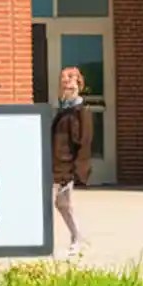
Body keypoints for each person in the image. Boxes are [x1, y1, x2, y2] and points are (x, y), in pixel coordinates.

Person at [51, 66, 93, 259]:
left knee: (63, 203)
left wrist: (77, 169)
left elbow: (83, 142)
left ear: (78, 83)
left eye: (70, 78)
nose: (65, 81)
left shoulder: (80, 111)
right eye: (63, 78)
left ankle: (77, 239)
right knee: (62, 204)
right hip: (58, 163)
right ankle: (78, 237)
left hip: (67, 165)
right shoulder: (63, 110)